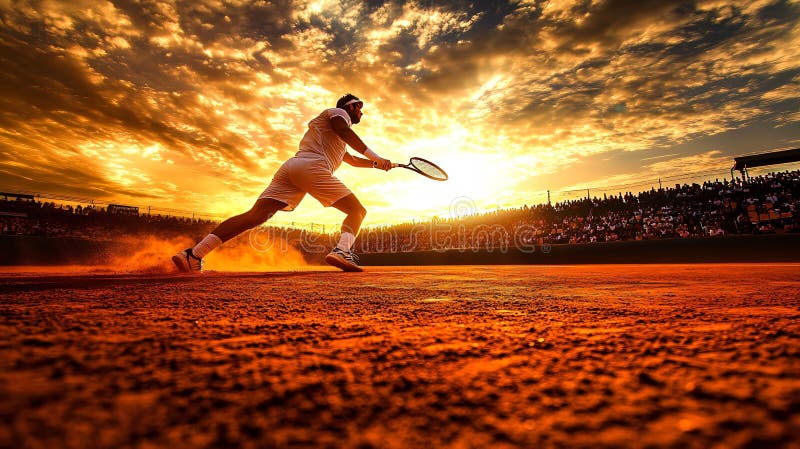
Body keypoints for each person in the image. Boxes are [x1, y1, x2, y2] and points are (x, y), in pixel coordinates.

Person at [172, 94, 392, 273]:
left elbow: (352, 160)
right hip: (311, 167)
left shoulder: (335, 140)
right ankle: (342, 251)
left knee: (255, 215)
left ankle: (193, 255)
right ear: (352, 106)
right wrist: (377, 155)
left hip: (291, 168)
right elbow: (345, 131)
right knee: (357, 210)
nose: (361, 113)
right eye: (359, 109)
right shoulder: (338, 114)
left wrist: (377, 164)